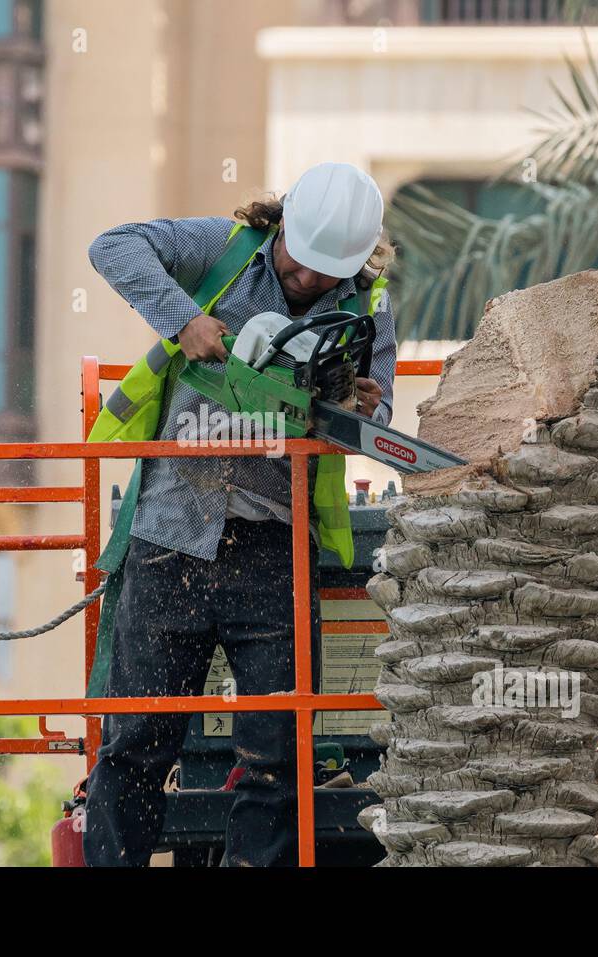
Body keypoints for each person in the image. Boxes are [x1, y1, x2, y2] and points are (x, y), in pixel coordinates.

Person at [82, 162, 396, 866]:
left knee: (279, 755)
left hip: (272, 545)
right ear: (281, 225)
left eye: (326, 273)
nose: (309, 282)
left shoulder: (367, 300)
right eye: (301, 263)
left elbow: (382, 416)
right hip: (170, 534)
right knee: (135, 742)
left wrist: (360, 404)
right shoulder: (221, 249)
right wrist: (184, 319)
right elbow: (111, 247)